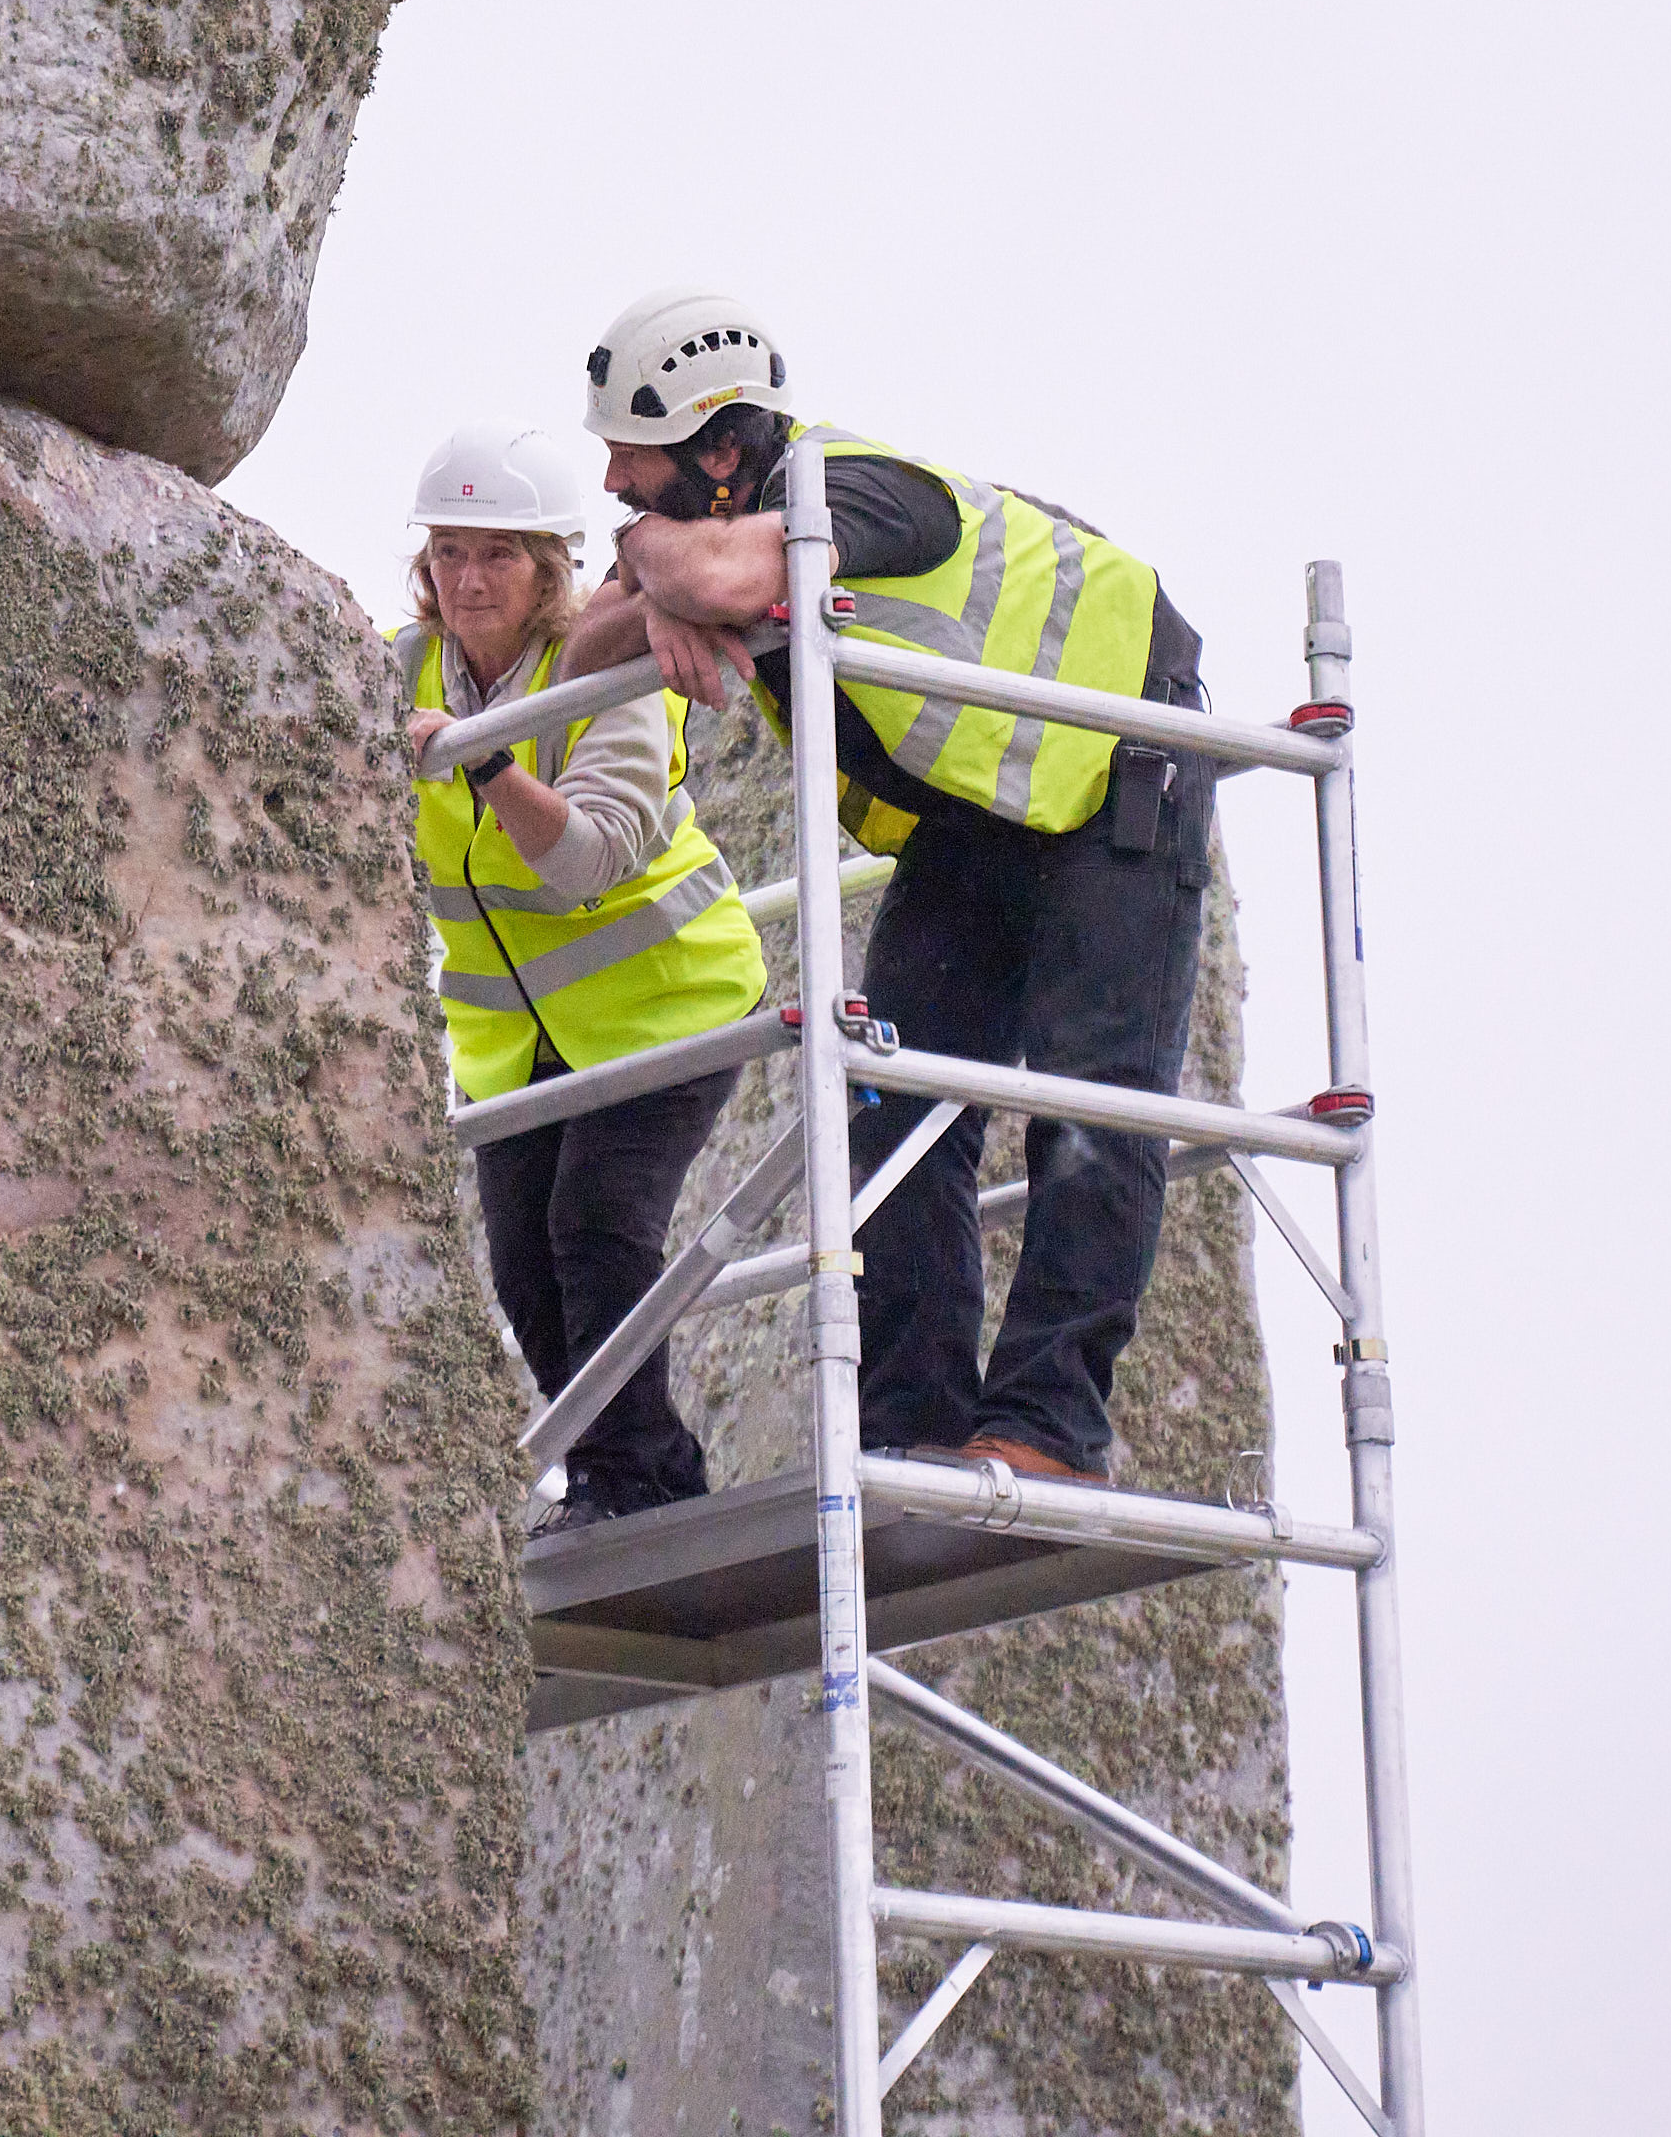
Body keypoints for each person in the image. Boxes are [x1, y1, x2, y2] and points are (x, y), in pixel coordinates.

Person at [557, 287, 1212, 1487]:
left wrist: (673, 572)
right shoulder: (713, 521)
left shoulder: (854, 488)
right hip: (988, 813)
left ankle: (1048, 1429)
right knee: (892, 1099)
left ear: (718, 449)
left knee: (1093, 1108)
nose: (610, 490)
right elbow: (580, 649)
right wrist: (663, 593)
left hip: (1126, 755)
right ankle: (917, 1422)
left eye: (628, 461)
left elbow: (731, 575)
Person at [392, 421, 772, 1530]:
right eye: (450, 552)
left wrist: (484, 758)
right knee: (522, 1269)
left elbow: (588, 861)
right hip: (516, 1038)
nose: (468, 579)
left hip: (669, 1004)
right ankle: (610, 1479)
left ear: (553, 568)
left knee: (597, 1228)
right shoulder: (401, 669)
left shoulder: (606, 674)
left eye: (498, 555)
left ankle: (647, 1484)